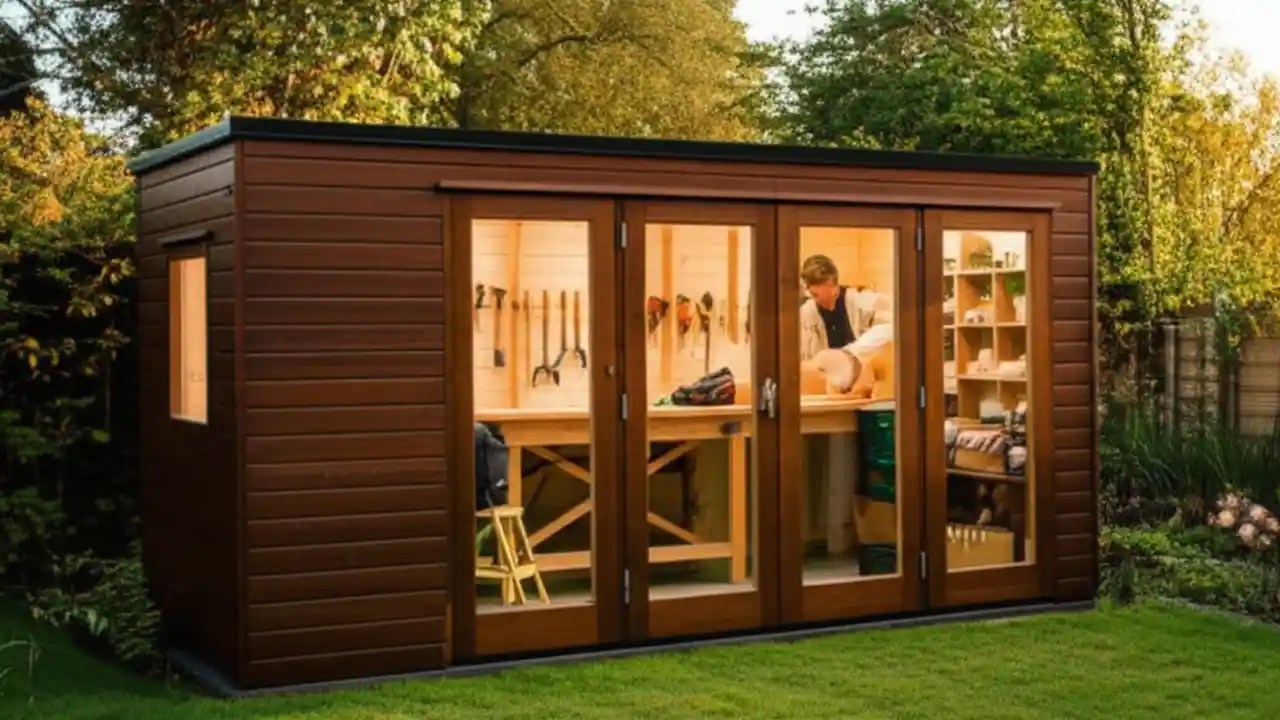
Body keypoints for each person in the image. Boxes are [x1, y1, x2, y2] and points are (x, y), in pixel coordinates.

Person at [799, 254, 893, 395]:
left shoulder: (863, 302)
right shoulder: (805, 314)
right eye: (816, 295)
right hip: (826, 385)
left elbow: (893, 324)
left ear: (835, 284)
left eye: (830, 294)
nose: (825, 302)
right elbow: (804, 361)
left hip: (861, 380)